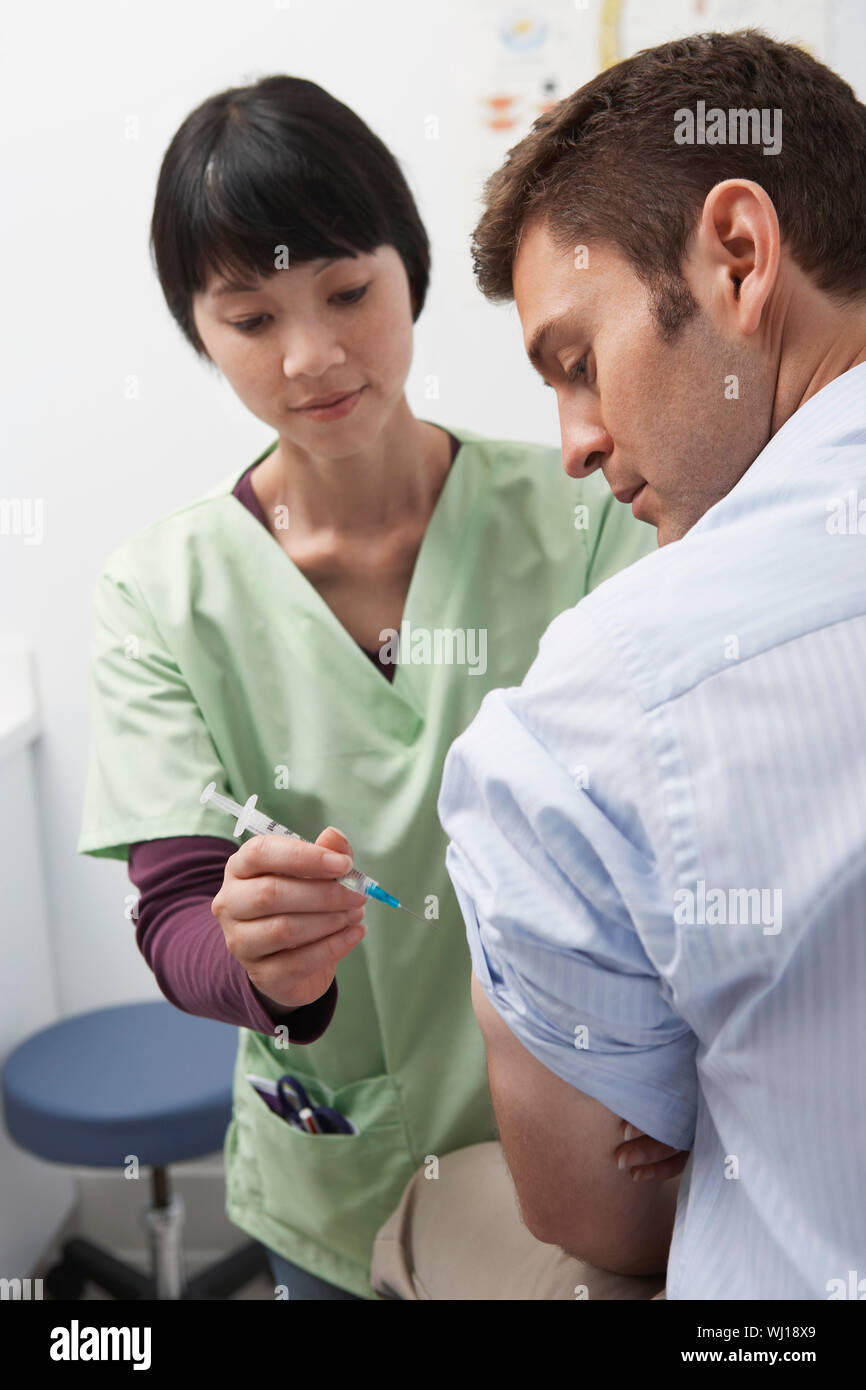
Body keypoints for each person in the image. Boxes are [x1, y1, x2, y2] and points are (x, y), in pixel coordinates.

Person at [76, 74, 658, 1300]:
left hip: (578, 1148)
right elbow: (175, 909)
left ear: (411, 270)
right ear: (199, 330)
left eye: (347, 290)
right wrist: (260, 965)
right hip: (332, 1180)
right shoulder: (163, 594)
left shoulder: (587, 513)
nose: (312, 356)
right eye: (248, 317)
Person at [375, 29, 866, 1300]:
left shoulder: (604, 697)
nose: (575, 447)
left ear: (738, 258)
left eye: (576, 362)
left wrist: (693, 1089)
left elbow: (597, 1209)